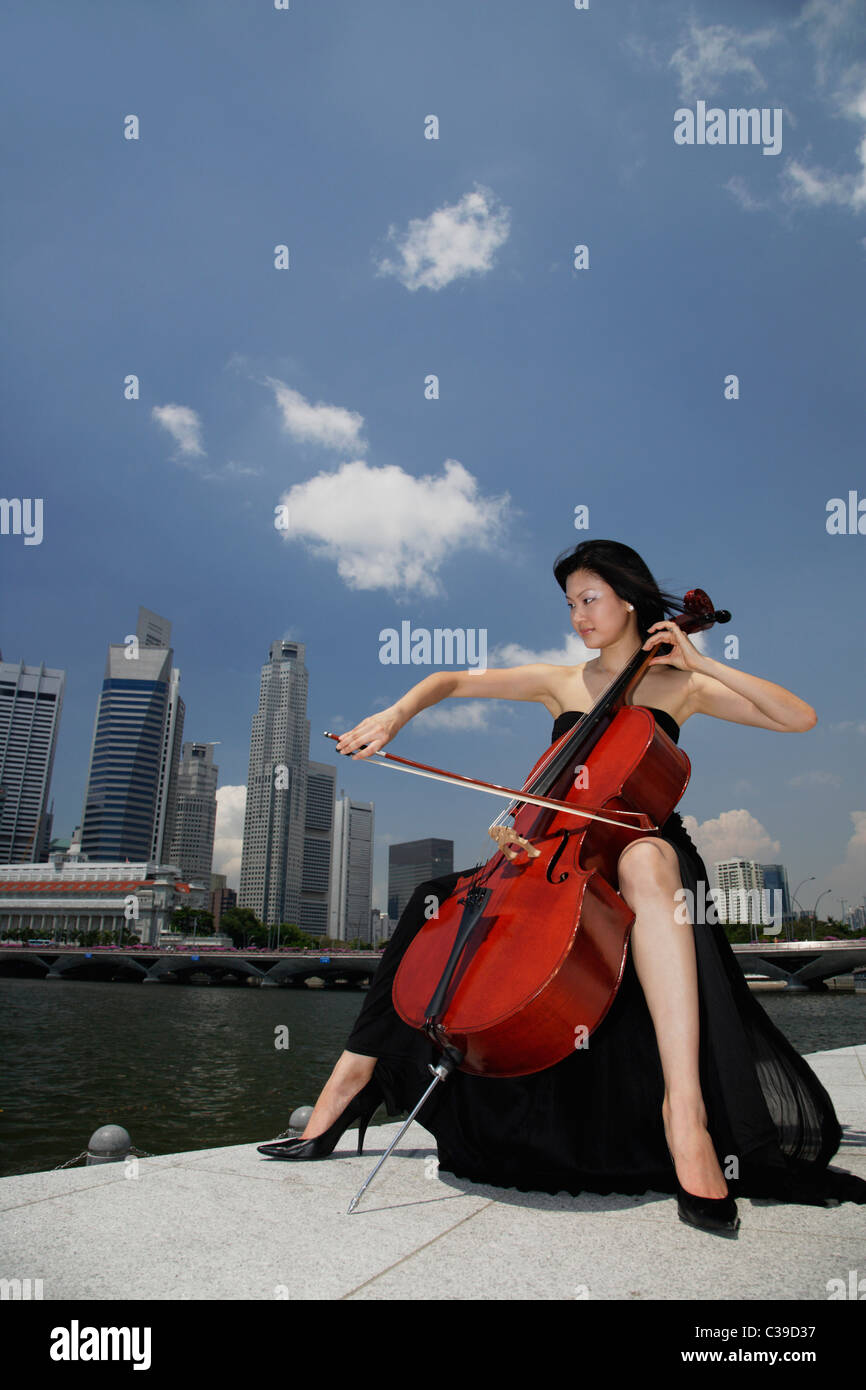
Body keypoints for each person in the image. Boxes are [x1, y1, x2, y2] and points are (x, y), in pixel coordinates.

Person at [257, 539, 866, 1232]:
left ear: (628, 599)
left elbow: (799, 717)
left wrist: (698, 659)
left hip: (646, 849)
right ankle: (347, 1087)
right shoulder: (561, 682)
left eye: (590, 599)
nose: (578, 615)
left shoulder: (680, 685)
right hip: (554, 853)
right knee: (432, 900)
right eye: (570, 604)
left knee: (644, 861)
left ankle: (685, 1112)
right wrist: (394, 716)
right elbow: (452, 682)